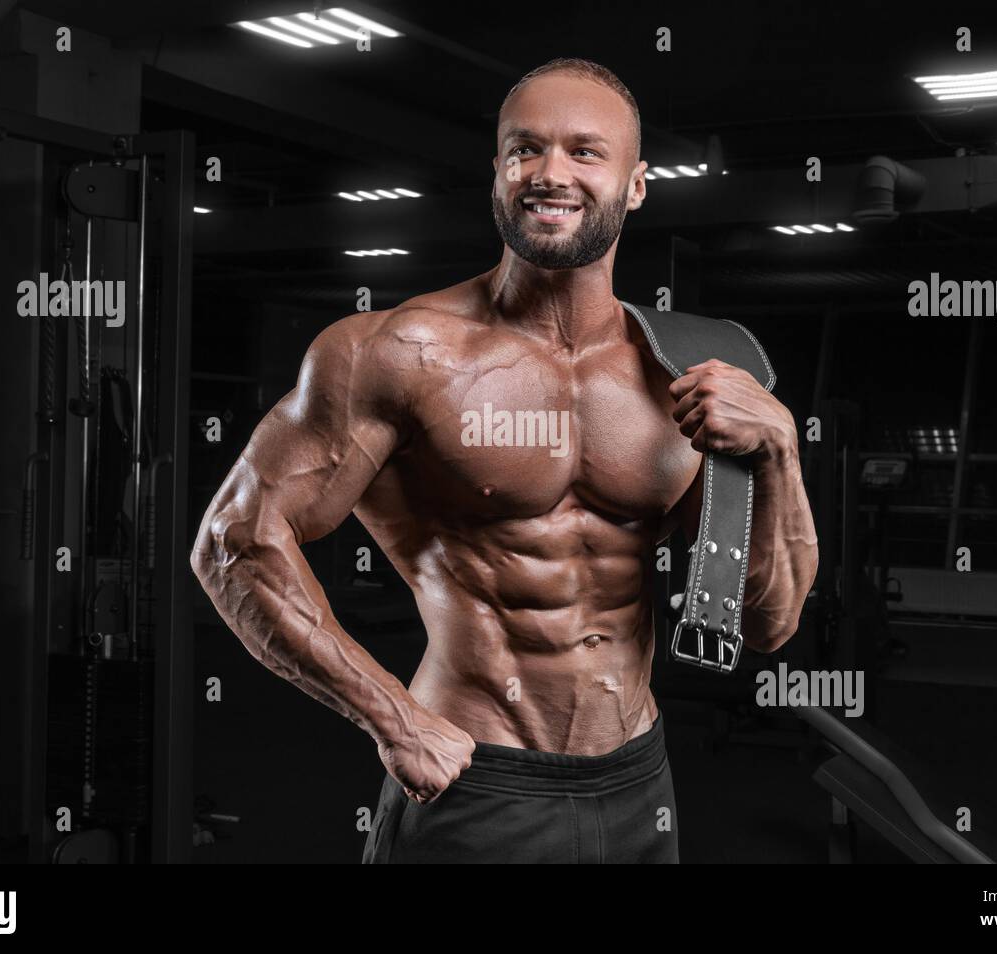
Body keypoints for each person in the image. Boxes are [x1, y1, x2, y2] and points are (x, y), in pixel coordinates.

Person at [191, 57, 818, 864]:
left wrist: (780, 452)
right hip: (478, 783)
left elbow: (768, 624)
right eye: (526, 149)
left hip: (638, 785)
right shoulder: (399, 353)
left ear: (635, 185)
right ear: (497, 171)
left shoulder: (693, 367)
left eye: (585, 152)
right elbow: (234, 540)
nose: (550, 173)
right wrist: (393, 717)